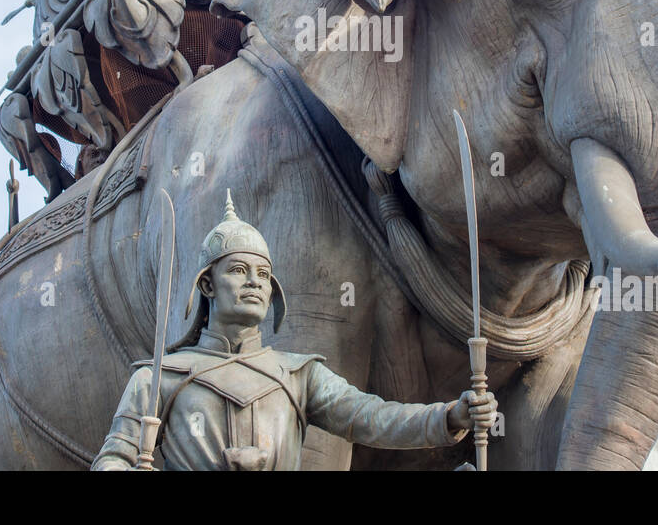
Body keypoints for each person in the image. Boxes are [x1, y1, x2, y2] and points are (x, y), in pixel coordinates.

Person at [92, 191, 498, 470]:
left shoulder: (300, 375)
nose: (254, 282)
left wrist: (449, 416)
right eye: (238, 270)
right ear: (207, 285)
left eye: (263, 274)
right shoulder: (158, 378)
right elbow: (113, 456)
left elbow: (372, 416)